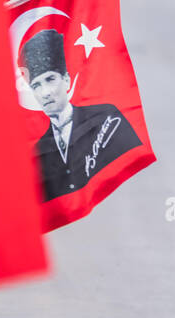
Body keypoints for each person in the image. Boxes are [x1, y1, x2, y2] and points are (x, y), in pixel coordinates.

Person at [19, 28, 141, 201]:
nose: (45, 92)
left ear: (66, 80)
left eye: (50, 79)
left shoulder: (107, 117)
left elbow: (132, 164)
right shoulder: (37, 153)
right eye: (36, 86)